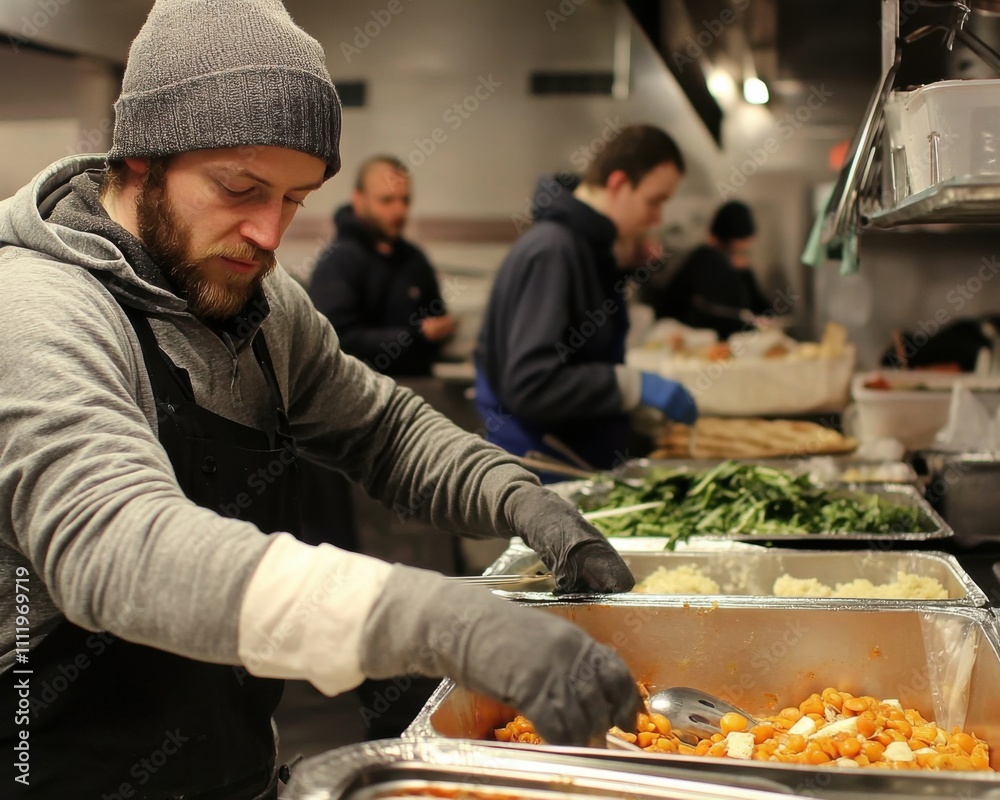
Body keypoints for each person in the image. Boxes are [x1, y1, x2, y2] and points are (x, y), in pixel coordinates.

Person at [0, 2, 639, 798]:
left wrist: (520, 499)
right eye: (240, 188)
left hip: (227, 765)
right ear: (140, 160)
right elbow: (117, 547)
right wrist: (444, 620)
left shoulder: (263, 303)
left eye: (294, 200)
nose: (270, 235)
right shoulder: (35, 310)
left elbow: (383, 428)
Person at [474, 126, 699, 472]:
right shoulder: (554, 251)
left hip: (577, 460)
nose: (657, 218)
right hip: (544, 472)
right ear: (619, 184)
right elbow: (532, 384)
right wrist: (632, 387)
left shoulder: (587, 247)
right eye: (654, 202)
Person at [308, 156, 456, 377]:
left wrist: (441, 330)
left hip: (415, 391)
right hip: (357, 394)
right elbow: (337, 340)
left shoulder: (414, 259)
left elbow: (436, 316)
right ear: (359, 200)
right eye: (387, 201)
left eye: (405, 200)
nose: (399, 211)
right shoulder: (338, 262)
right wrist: (415, 335)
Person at [654, 200, 771, 339]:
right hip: (689, 338)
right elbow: (732, 314)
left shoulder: (717, 259)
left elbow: (761, 311)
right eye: (745, 241)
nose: (748, 246)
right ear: (735, 240)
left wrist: (744, 272)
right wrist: (743, 274)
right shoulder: (708, 259)